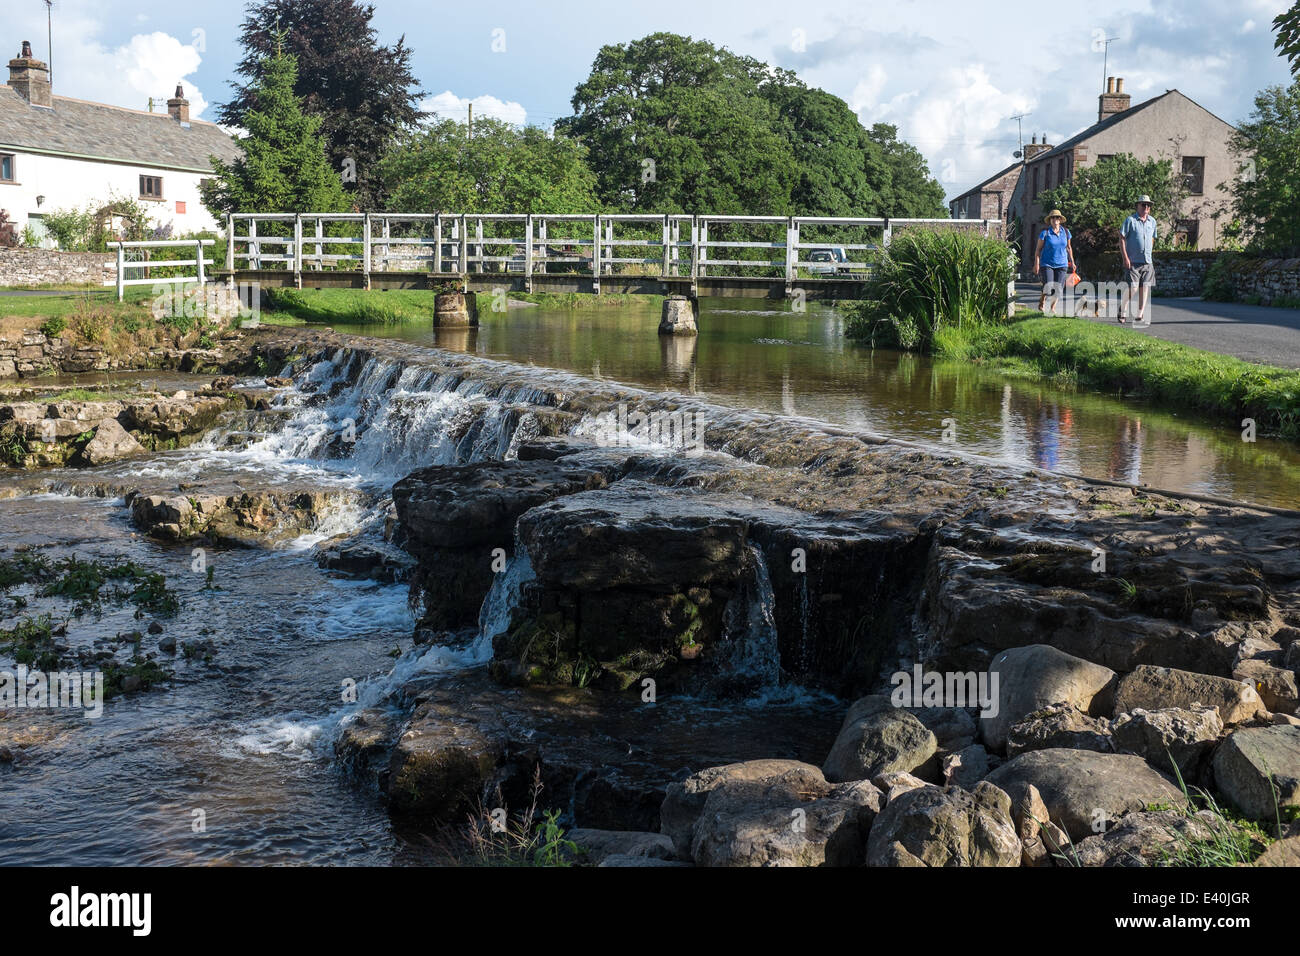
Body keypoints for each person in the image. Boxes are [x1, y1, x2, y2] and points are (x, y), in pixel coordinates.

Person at [1119, 196, 1158, 326]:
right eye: (1143, 205)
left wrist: (1149, 251)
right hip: (1133, 261)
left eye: (1148, 205)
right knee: (1134, 288)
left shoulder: (1152, 221)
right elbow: (1122, 238)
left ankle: (1139, 315)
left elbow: (1153, 238)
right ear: (1138, 206)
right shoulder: (1130, 220)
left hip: (1147, 261)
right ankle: (1122, 309)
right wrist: (1125, 257)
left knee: (1145, 287)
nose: (1146, 207)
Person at [1034, 210, 1075, 315]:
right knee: (1048, 286)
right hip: (1047, 264)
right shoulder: (1045, 233)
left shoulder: (1066, 232)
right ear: (1050, 220)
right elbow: (1038, 250)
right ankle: (1042, 299)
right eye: (1053, 218)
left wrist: (1072, 262)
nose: (1055, 220)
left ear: (1060, 220)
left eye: (1057, 217)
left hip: (1062, 264)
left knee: (1059, 288)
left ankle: (1052, 308)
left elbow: (1069, 248)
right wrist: (1036, 264)